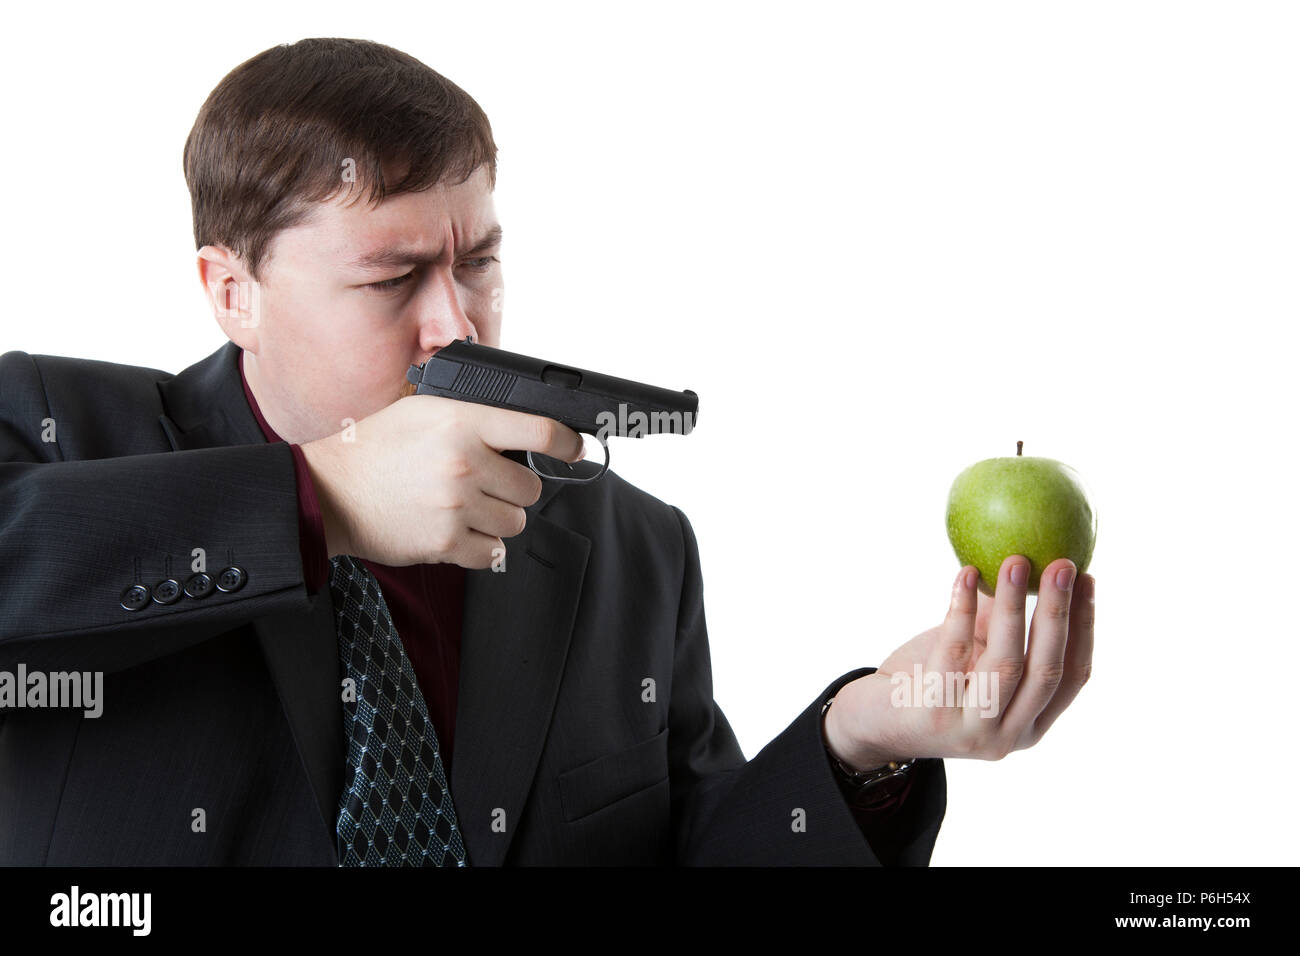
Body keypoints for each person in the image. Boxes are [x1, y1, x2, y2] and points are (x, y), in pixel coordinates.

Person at [0, 38, 1094, 866]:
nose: (458, 326)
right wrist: (314, 497)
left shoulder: (627, 544)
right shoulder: (53, 435)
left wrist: (860, 740)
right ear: (231, 291)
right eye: (390, 280)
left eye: (476, 262)